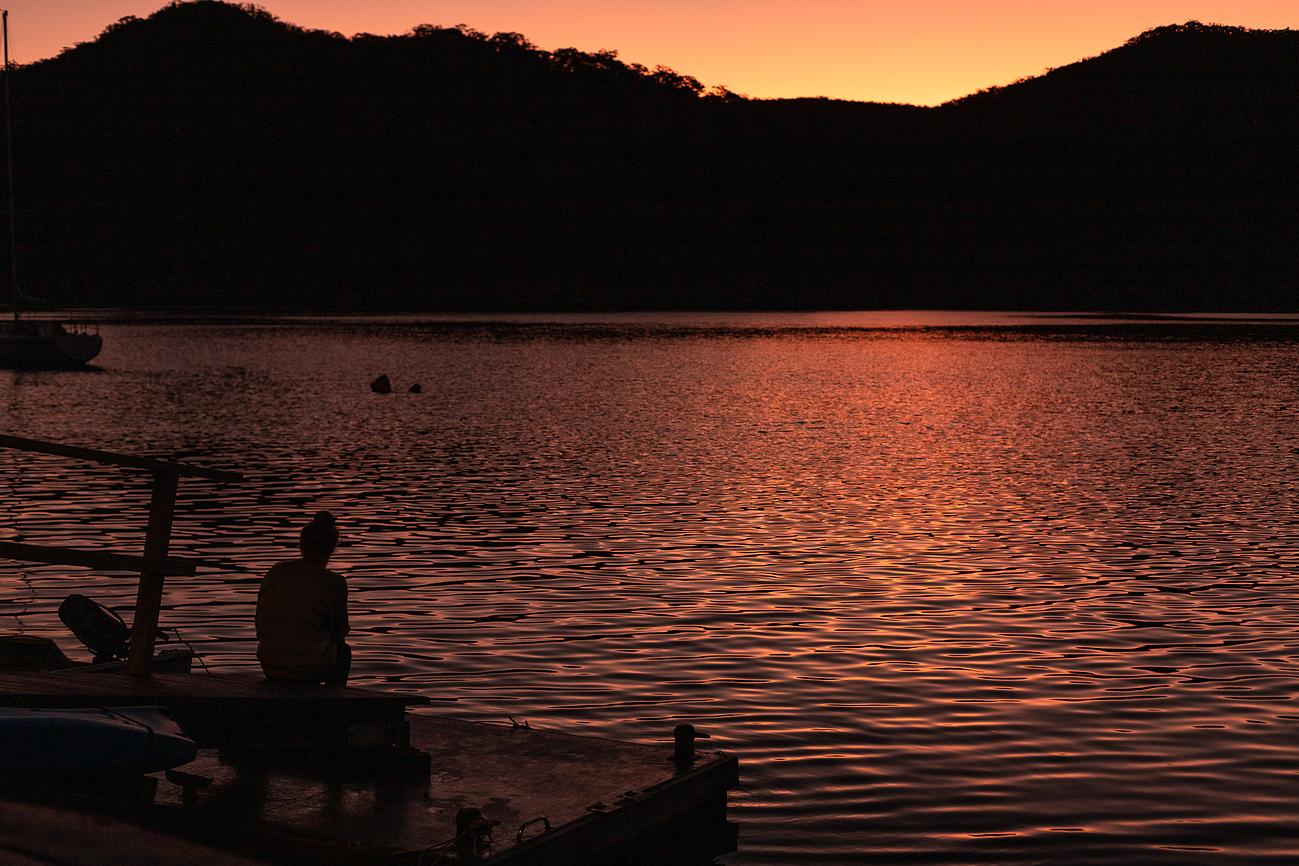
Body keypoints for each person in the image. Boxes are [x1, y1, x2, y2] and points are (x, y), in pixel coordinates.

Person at [256, 511, 350, 686]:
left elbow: (259, 624)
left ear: (301, 545)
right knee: (344, 651)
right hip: (309, 671)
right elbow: (340, 633)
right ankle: (336, 704)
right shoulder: (335, 582)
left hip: (270, 665)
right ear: (332, 547)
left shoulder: (275, 571)